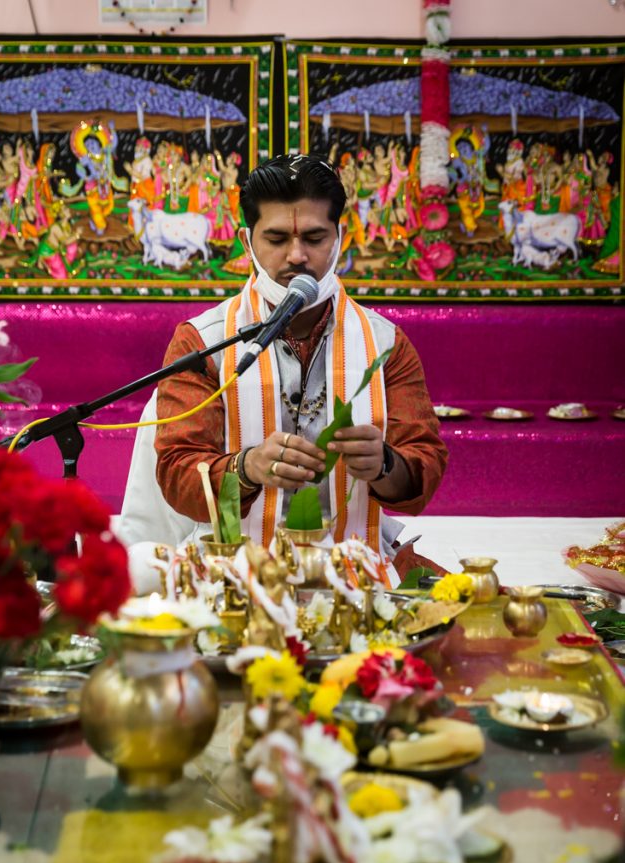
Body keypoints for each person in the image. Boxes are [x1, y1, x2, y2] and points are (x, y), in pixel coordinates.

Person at [125, 154, 447, 583]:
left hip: (356, 572)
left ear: (340, 237)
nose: (297, 256)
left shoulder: (385, 344)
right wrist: (248, 467)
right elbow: (177, 475)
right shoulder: (204, 342)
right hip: (232, 573)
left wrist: (385, 465)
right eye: (276, 238)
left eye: (314, 237)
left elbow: (423, 469)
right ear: (246, 242)